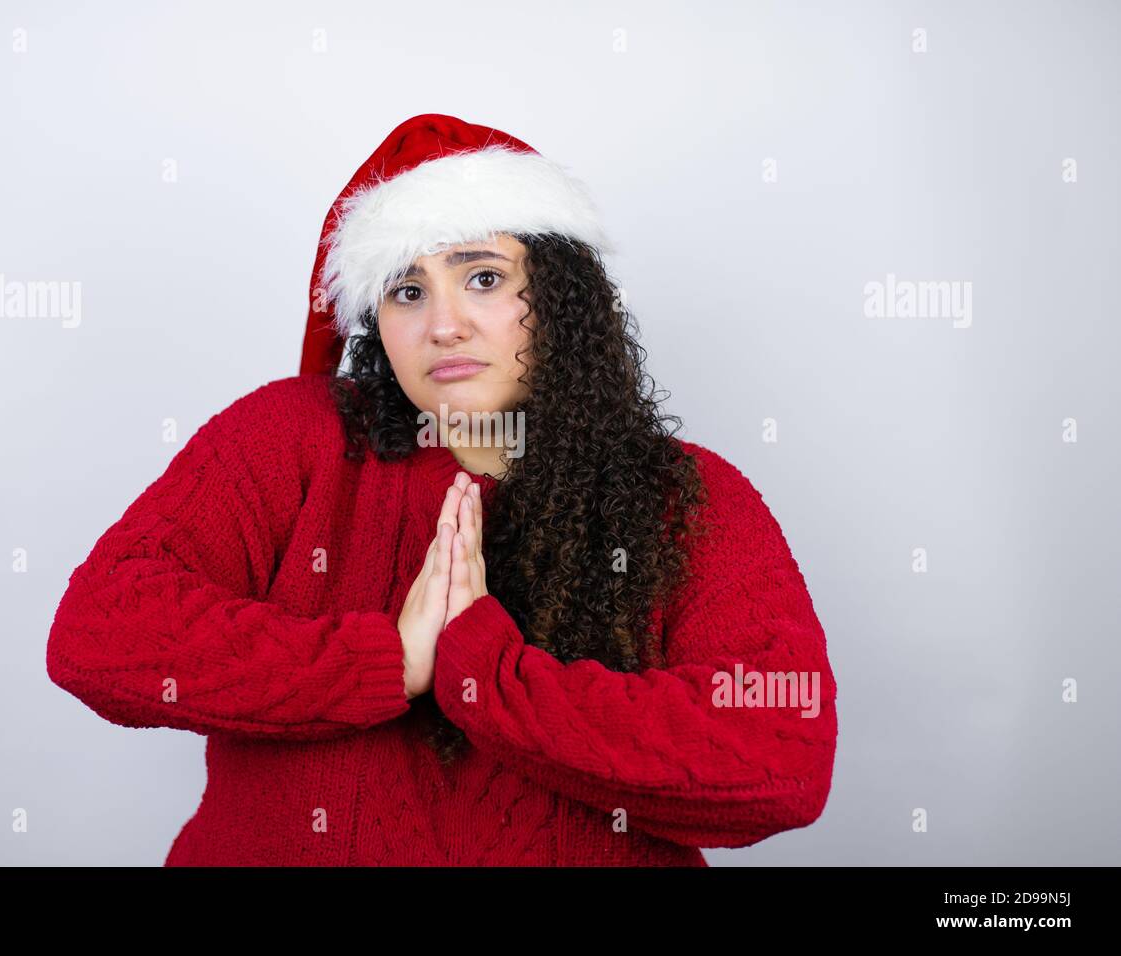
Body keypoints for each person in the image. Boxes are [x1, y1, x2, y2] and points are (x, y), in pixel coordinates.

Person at [46, 113, 838, 866]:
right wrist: (384, 659)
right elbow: (99, 631)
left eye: (483, 278)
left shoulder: (685, 495)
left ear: (564, 301)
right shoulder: (292, 436)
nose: (443, 324)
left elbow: (780, 751)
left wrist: (487, 676)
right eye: (407, 290)